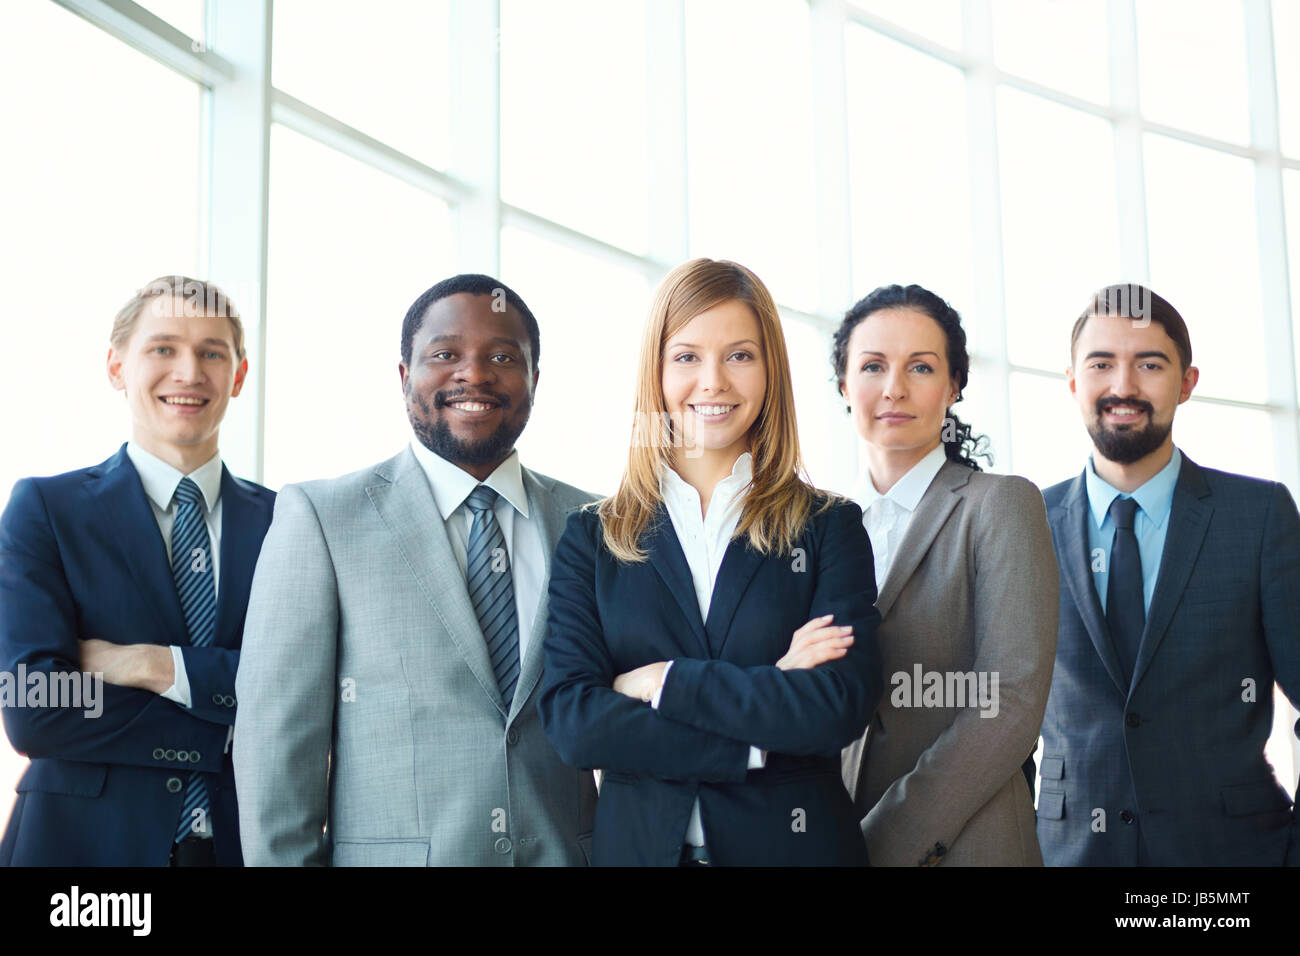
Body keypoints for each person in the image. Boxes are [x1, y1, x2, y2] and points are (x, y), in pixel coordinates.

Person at [234, 274, 597, 866]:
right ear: (404, 376)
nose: (474, 374)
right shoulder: (322, 519)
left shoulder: (596, 524)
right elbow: (277, 742)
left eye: (503, 357)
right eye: (445, 354)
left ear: (535, 378)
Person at [539, 258, 882, 866]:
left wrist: (659, 682)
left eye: (740, 355)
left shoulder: (829, 526)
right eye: (687, 356)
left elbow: (835, 709)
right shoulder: (593, 537)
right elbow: (575, 724)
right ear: (656, 372)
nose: (713, 381)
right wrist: (767, 701)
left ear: (770, 370)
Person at [0, 276, 274, 866]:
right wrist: (229, 724)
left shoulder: (291, 524)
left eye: (211, 353)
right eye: (163, 348)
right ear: (116, 367)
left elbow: (313, 690)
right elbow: (35, 706)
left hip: (244, 849)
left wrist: (149, 665)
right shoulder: (48, 510)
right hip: (79, 855)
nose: (188, 372)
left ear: (239, 376)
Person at [1038, 283, 1300, 866]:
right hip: (1068, 854)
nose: (1123, 386)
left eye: (1149, 364)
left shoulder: (1259, 517)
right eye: (1101, 364)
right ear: (1073, 381)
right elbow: (996, 721)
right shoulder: (1026, 523)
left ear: (1186, 383)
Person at [834, 284, 1057, 866]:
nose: (894, 388)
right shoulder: (816, 528)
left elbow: (1009, 701)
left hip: (966, 844)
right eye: (873, 366)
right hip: (831, 837)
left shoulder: (1000, 504)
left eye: (921, 367)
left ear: (954, 385)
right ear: (844, 385)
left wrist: (881, 842)